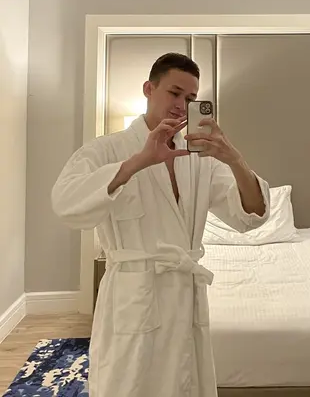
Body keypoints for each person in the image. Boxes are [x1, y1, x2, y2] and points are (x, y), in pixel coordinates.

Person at [52, 52, 270, 397]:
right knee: (127, 385)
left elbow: (250, 216)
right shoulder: (107, 149)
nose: (182, 105)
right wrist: (138, 162)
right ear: (149, 89)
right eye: (175, 93)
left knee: (186, 383)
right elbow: (66, 204)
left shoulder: (199, 159)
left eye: (191, 98)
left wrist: (234, 159)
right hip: (134, 296)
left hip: (185, 296)